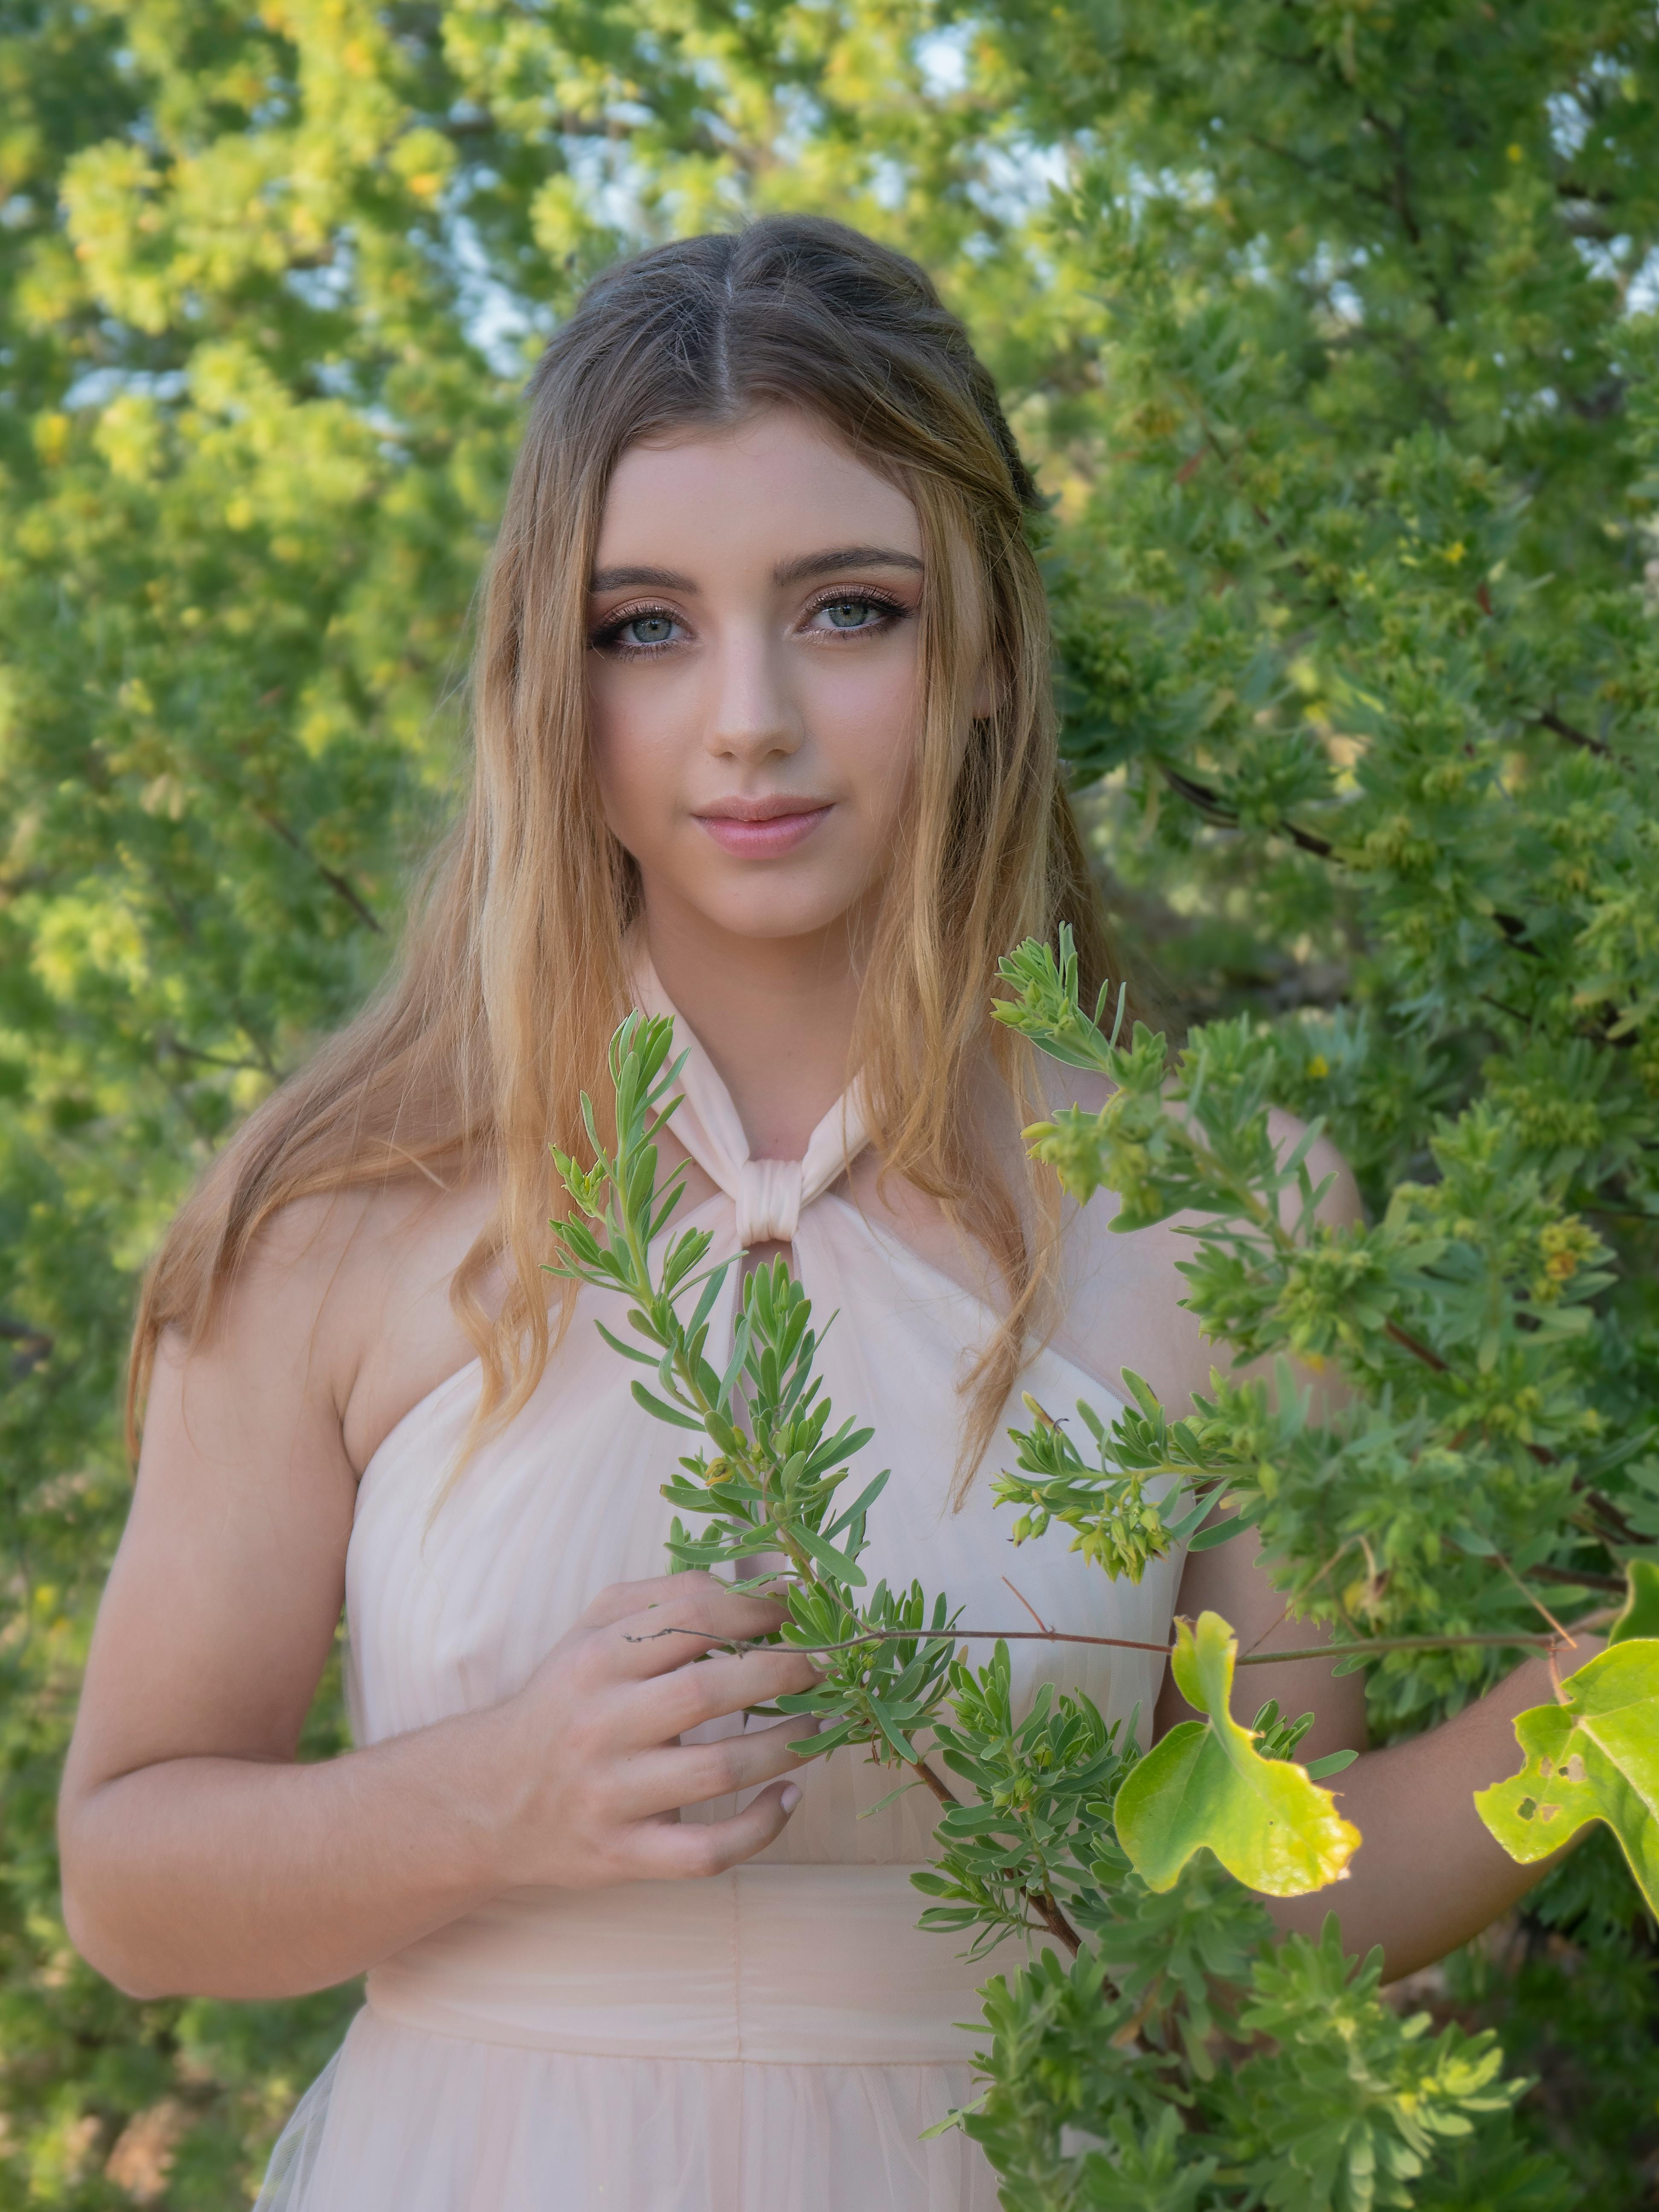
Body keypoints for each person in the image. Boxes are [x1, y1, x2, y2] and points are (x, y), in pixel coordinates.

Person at [58, 217, 1594, 2212]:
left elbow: (1250, 1945)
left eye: (848, 609)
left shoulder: (1234, 1211)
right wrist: (494, 1797)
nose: (748, 720)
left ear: (978, 647)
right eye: (645, 626)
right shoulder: (340, 1205)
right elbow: (134, 1881)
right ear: (548, 673)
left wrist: (1608, 1717)